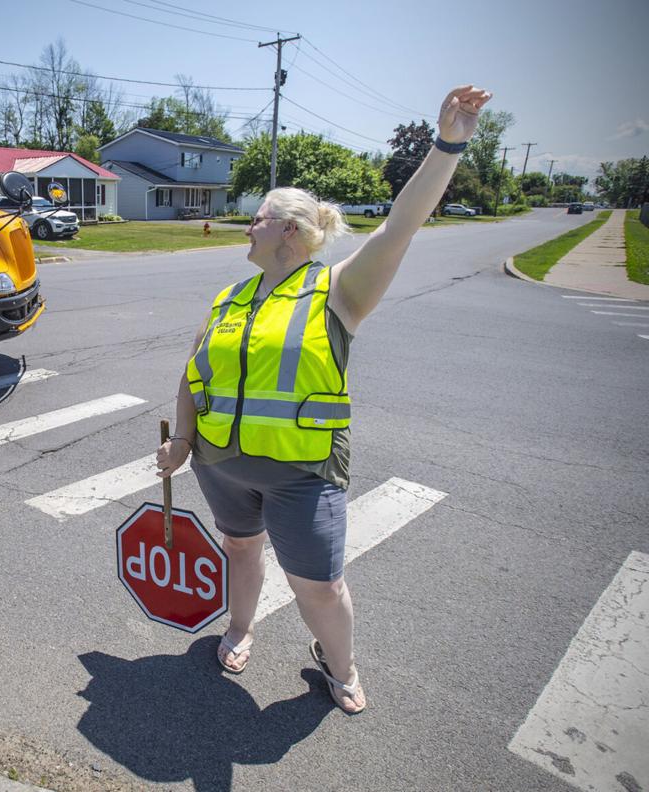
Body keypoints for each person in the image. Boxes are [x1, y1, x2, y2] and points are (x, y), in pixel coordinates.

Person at [156, 85, 492, 714]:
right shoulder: (230, 299)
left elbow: (402, 225)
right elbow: (190, 376)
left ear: (287, 229)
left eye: (256, 217)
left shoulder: (337, 291)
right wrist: (180, 439)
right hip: (221, 467)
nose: (246, 226)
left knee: (319, 585)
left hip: (302, 474)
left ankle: (340, 665)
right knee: (240, 550)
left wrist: (448, 143)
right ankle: (240, 627)